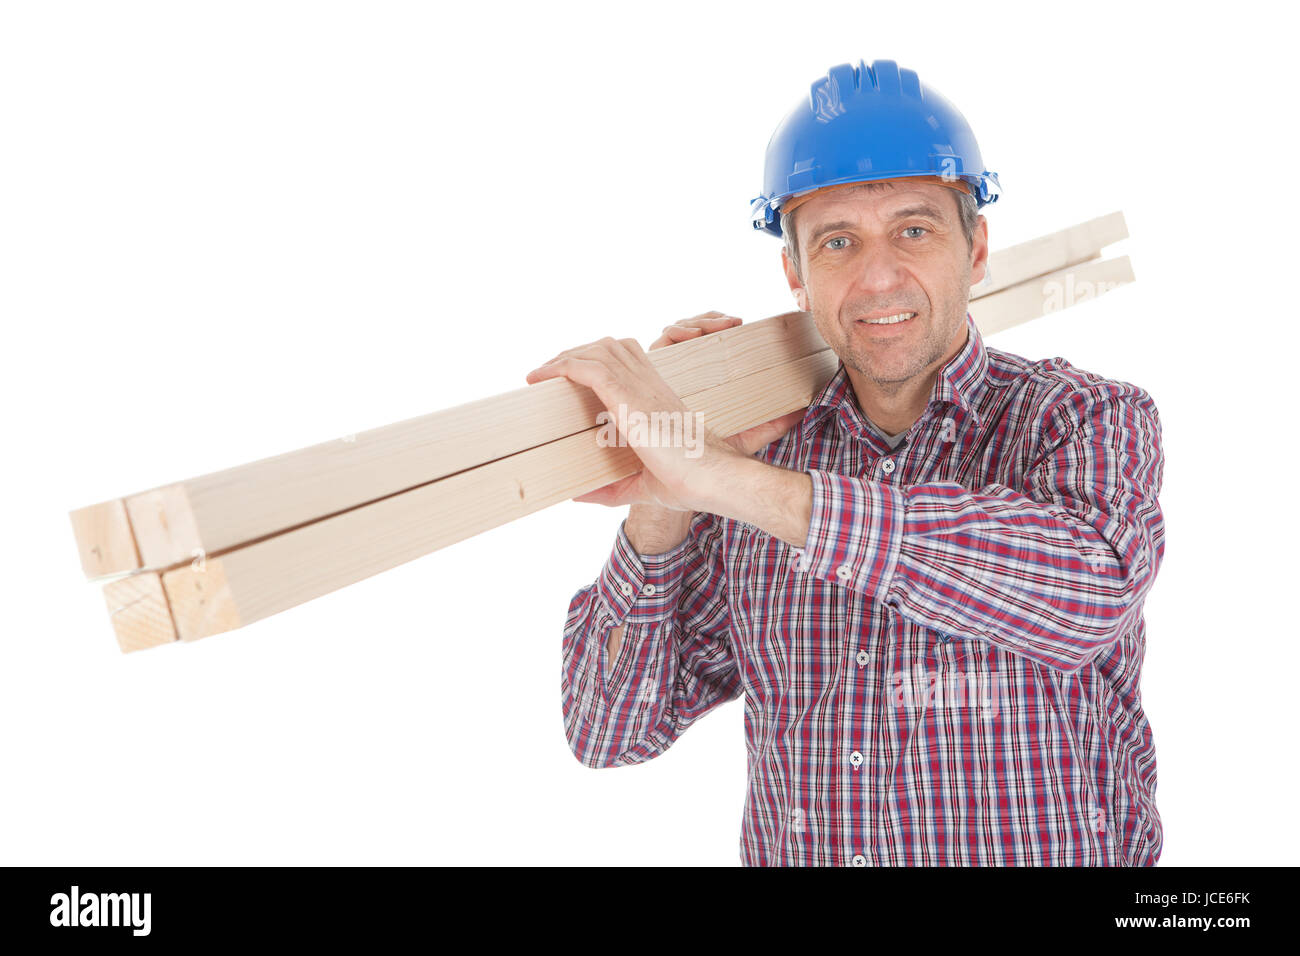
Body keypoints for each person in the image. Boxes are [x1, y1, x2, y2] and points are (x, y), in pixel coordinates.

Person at [525, 58, 1166, 866]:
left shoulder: (1082, 418)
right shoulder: (762, 456)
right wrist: (666, 492)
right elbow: (609, 729)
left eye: (914, 228)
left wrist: (727, 479)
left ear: (977, 250)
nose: (878, 276)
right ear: (795, 274)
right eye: (837, 241)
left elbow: (1086, 597)